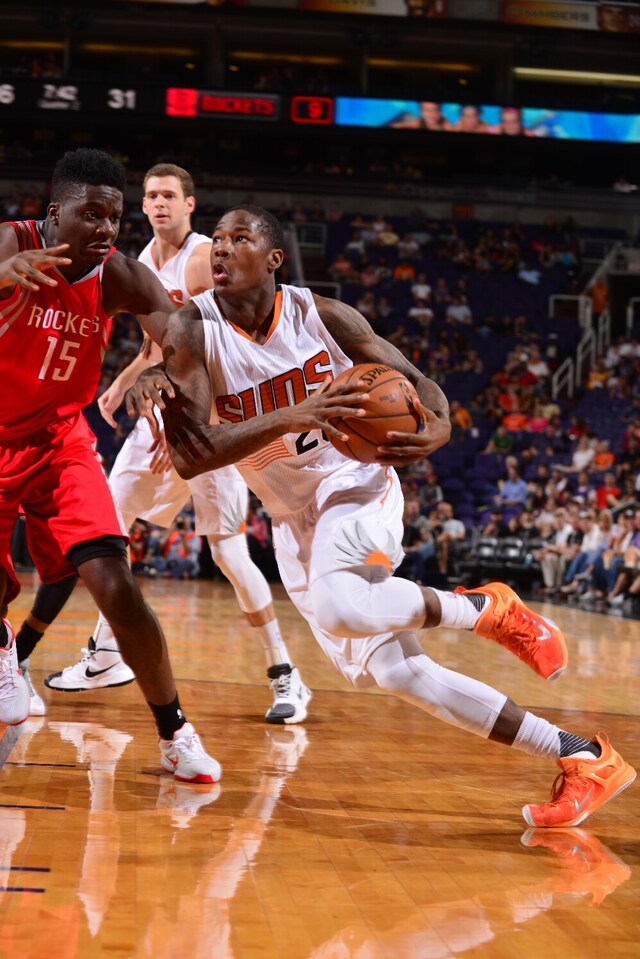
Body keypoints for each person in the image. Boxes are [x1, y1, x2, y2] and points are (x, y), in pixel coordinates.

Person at [126, 204, 635, 828]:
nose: (222, 250)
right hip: (290, 517)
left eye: (239, 238)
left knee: (343, 607)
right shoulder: (193, 329)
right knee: (399, 671)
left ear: (275, 258)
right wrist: (294, 414)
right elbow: (190, 456)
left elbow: (420, 383)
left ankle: (486, 609)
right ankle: (585, 758)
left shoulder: (323, 315)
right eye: (219, 241)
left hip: (354, 482)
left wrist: (439, 428)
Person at [41, 162, 310, 726]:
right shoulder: (142, 260)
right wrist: (121, 383)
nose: (159, 203)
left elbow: (223, 344)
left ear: (190, 204)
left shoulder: (206, 256)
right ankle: (107, 655)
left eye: (169, 195)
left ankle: (286, 673)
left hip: (210, 421)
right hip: (162, 414)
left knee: (228, 552)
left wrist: (188, 422)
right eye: (151, 196)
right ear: (141, 206)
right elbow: (158, 345)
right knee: (107, 526)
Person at [0, 148, 219, 783]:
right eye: (90, 215)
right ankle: (6, 648)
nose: (104, 229)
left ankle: (175, 732)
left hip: (59, 441)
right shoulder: (11, 242)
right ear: (54, 213)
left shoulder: (118, 275)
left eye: (114, 218)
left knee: (116, 585)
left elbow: (185, 339)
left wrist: (163, 375)